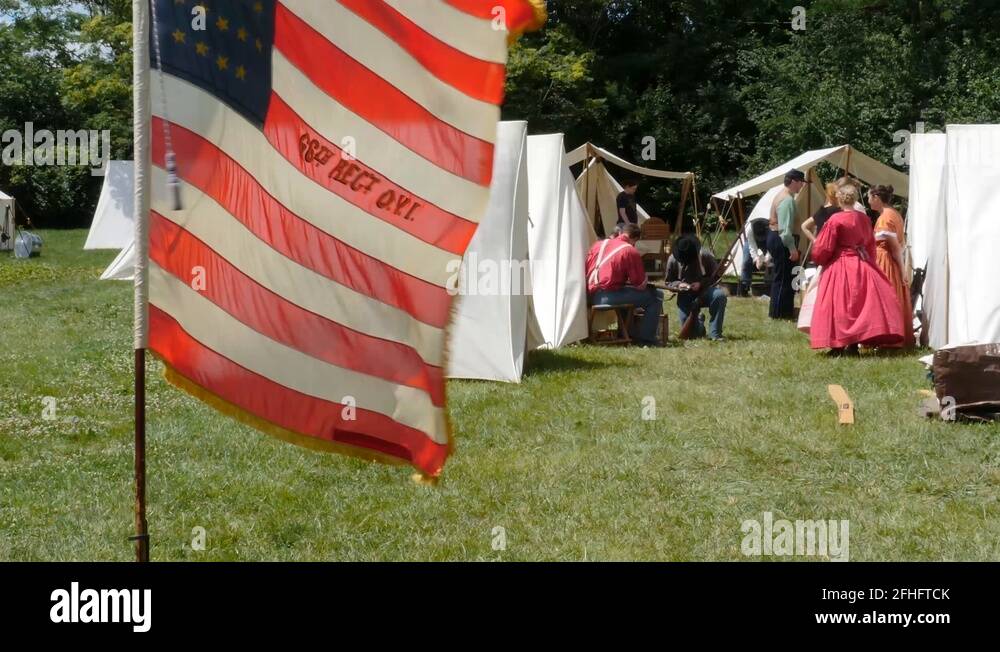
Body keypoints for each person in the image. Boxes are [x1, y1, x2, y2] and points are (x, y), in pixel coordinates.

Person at [809, 183, 905, 354]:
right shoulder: (865, 219)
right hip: (861, 264)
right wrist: (870, 263)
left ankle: (838, 346)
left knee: (839, 304)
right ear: (854, 199)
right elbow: (870, 244)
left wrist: (820, 259)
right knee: (858, 304)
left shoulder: (835, 220)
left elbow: (825, 247)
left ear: (839, 198)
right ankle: (853, 344)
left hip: (840, 264)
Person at [586, 223, 664, 346]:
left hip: (590, 295)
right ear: (634, 239)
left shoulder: (598, 245)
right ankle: (647, 339)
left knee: (625, 293)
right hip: (607, 296)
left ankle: (630, 333)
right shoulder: (629, 250)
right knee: (656, 296)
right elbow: (639, 284)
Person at [869, 184, 915, 348]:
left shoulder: (885, 218)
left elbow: (895, 247)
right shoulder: (893, 214)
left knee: (885, 299)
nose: (868, 201)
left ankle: (888, 339)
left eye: (870, 197)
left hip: (886, 261)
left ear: (877, 198)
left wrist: (903, 271)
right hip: (889, 261)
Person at [665, 234, 727, 341]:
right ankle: (700, 324)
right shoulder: (672, 260)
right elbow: (668, 282)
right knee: (691, 334)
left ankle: (715, 334)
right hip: (685, 294)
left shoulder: (706, 256)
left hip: (705, 291)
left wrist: (701, 284)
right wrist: (679, 285)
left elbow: (716, 277)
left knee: (719, 296)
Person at [797, 183, 840, 333]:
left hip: (823, 252)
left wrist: (816, 241)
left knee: (818, 285)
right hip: (835, 253)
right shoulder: (839, 212)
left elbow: (804, 226)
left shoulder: (822, 211)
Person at [766, 170, 807, 319]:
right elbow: (785, 230)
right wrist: (792, 249)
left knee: (781, 277)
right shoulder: (787, 200)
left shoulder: (782, 195)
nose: (802, 185)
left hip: (776, 237)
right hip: (783, 239)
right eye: (801, 182)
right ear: (794, 181)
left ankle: (779, 312)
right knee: (784, 278)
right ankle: (780, 313)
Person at [739, 219, 770, 297]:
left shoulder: (770, 229)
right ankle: (745, 286)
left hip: (767, 243)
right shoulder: (749, 229)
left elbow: (771, 247)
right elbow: (752, 246)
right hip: (750, 242)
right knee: (746, 261)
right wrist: (756, 259)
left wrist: (767, 258)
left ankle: (769, 286)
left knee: (772, 263)